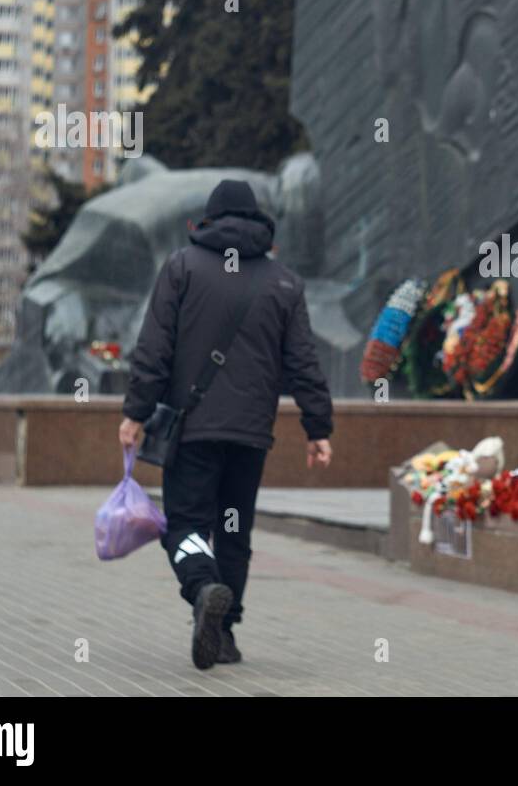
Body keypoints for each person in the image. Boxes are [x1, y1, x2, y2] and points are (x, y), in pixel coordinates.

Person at [118, 179, 333, 670]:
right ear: (258, 223)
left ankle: (201, 583)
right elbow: (304, 363)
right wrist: (318, 427)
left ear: (208, 220)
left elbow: (153, 350)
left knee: (186, 524)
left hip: (191, 431)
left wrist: (135, 412)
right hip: (251, 434)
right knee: (235, 531)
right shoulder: (284, 283)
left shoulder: (182, 268)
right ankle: (227, 632)